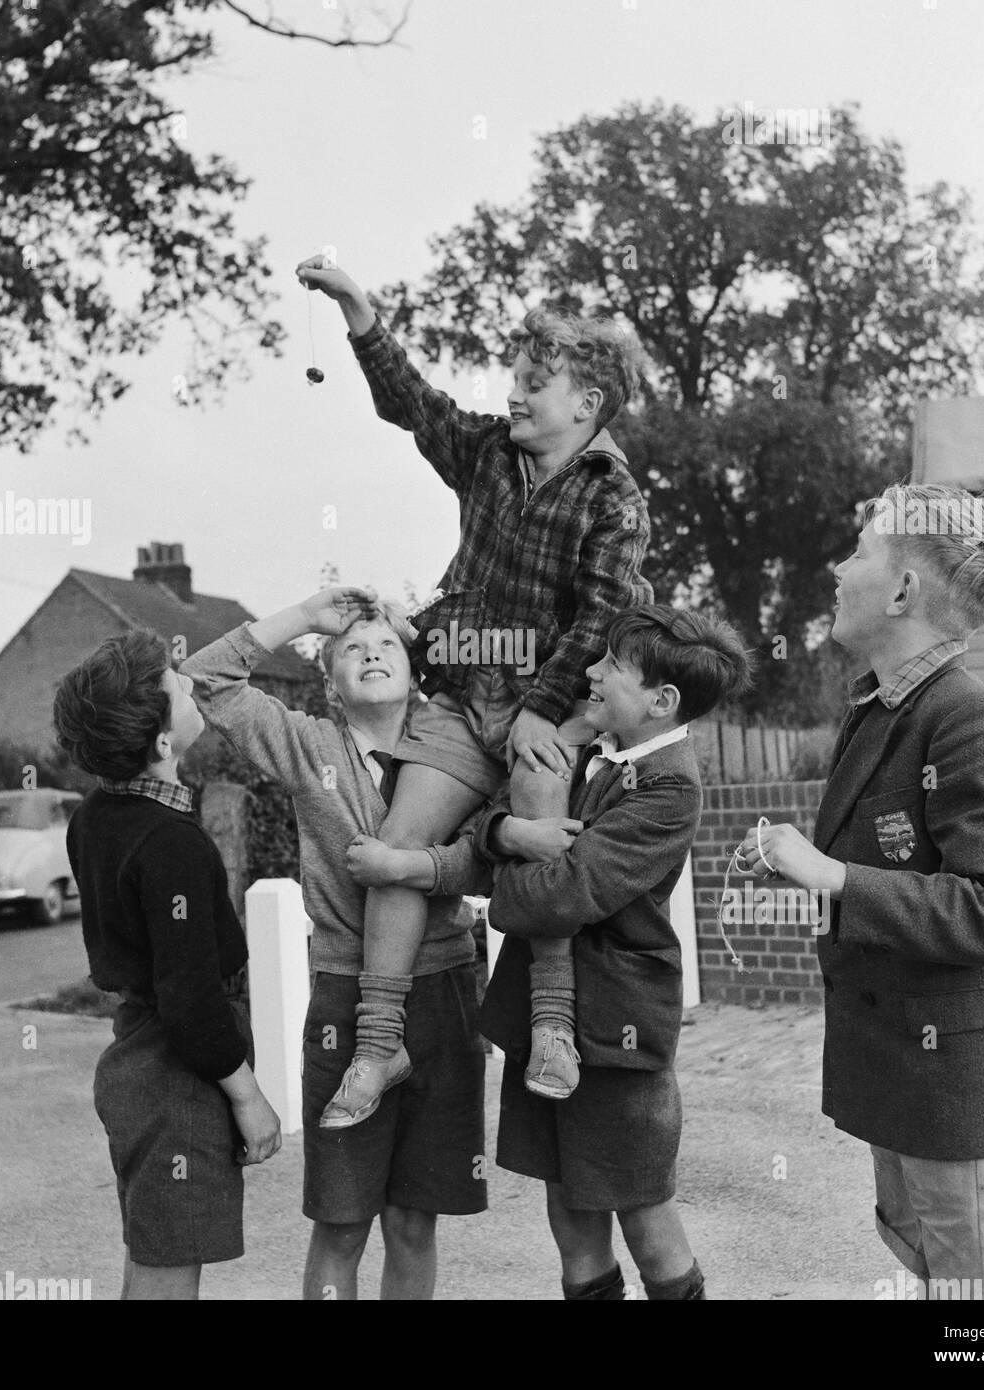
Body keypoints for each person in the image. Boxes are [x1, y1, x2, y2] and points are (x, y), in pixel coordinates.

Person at [297, 253, 653, 1124]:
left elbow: (602, 613)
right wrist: (357, 307)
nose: (515, 396)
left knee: (542, 845)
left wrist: (543, 712)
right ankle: (379, 1045)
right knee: (393, 849)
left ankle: (552, 1024)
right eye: (515, 379)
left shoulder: (616, 501)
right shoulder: (489, 454)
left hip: (546, 703)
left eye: (535, 383)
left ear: (586, 405)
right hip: (462, 699)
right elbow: (410, 403)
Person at [733, 481, 984, 1300]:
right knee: (945, 1290)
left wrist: (832, 875)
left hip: (966, 1105)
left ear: (900, 590)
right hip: (913, 1090)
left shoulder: (966, 717)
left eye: (857, 551)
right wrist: (802, 862)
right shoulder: (881, 712)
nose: (837, 568)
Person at [183, 586, 515, 1300]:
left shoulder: (463, 745)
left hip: (445, 993)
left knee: (413, 1220)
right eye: (351, 649)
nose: (369, 653)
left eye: (386, 644)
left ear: (416, 663)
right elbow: (208, 678)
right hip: (343, 998)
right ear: (328, 681)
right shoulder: (310, 748)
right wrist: (304, 615)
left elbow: (488, 856)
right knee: (341, 1221)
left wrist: (415, 867)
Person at [469, 604, 751, 1300]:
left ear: (661, 701)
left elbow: (563, 895)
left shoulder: (668, 786)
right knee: (568, 1203)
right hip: (543, 1019)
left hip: (614, 1029)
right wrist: (508, 834)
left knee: (642, 1208)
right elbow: (487, 826)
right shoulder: (593, 750)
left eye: (612, 666)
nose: (589, 672)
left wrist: (508, 875)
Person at [52, 631, 281, 1301]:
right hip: (174, 1076)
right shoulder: (170, 843)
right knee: (167, 1271)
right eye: (177, 685)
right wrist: (250, 1098)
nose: (191, 685)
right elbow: (191, 1002)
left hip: (135, 1057)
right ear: (160, 742)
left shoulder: (95, 817)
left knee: (151, 1251)